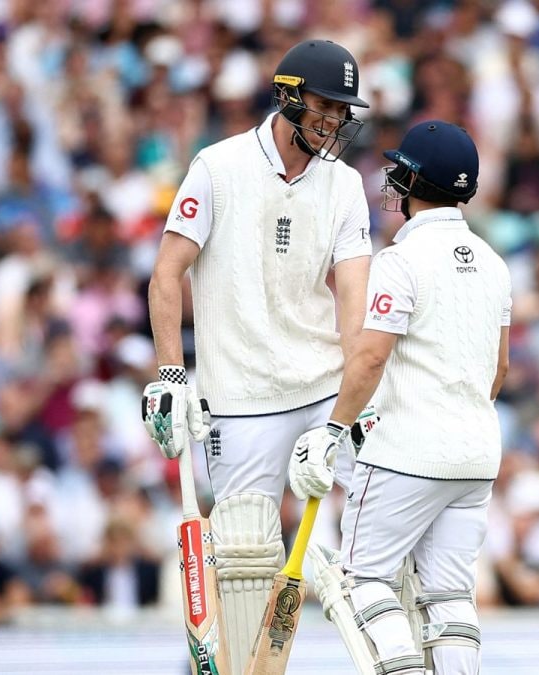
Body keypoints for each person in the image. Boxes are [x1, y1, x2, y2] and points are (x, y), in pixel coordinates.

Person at [140, 39, 374, 671]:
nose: (334, 122)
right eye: (324, 106)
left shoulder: (346, 184)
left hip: (326, 384)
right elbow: (167, 275)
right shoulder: (218, 167)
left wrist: (363, 384)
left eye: (342, 110)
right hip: (242, 397)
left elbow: (354, 292)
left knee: (385, 513)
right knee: (244, 560)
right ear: (289, 95)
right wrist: (168, 371)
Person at [290, 120, 510, 675]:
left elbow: (369, 357)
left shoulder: (399, 263)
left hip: (405, 452)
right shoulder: (494, 264)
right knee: (451, 598)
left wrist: (333, 430)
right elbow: (499, 368)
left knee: (364, 579)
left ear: (413, 179)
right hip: (478, 454)